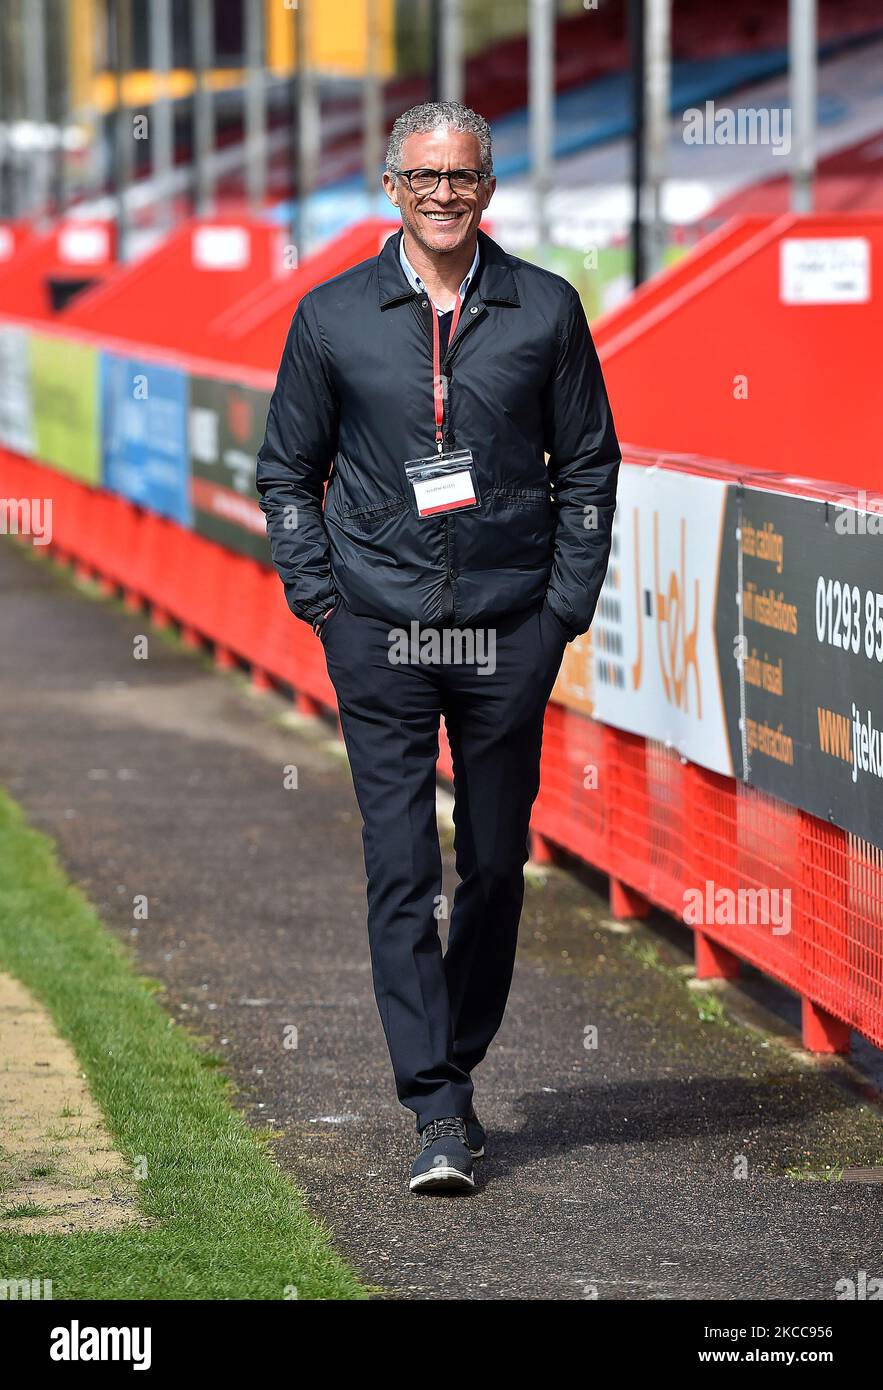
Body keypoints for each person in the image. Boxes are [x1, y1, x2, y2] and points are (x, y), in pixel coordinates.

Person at [256, 101, 619, 1194]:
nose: (444, 195)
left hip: (510, 632)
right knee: (402, 867)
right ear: (390, 186)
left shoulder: (546, 309)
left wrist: (561, 611)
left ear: (490, 188)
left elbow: (590, 467)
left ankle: (448, 1064)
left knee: (497, 866)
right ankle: (437, 1104)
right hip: (379, 630)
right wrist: (324, 602)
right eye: (424, 177)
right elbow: (284, 474)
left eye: (462, 177)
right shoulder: (329, 317)